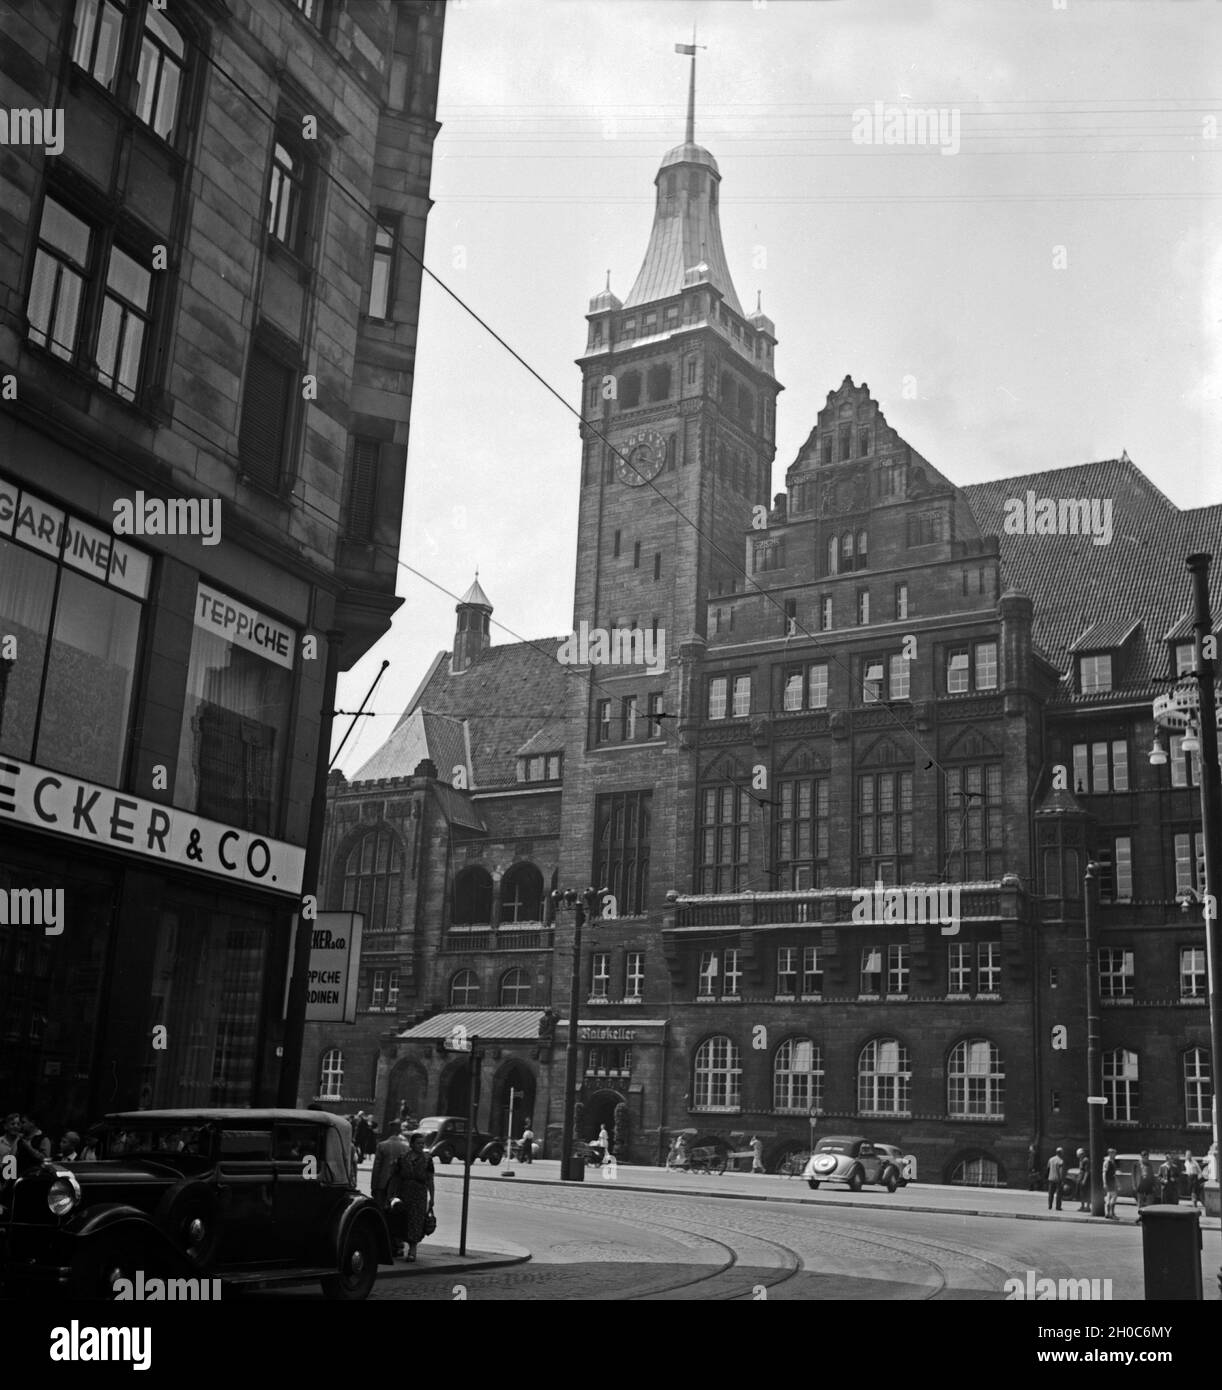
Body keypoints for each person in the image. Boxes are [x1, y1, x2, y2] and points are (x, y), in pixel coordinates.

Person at [371, 1122, 413, 1258]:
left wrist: (374, 1186)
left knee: (382, 1214)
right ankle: (398, 1244)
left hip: (383, 1185)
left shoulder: (382, 1146)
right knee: (397, 1216)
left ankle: (383, 1243)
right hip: (399, 1186)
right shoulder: (405, 1147)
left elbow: (377, 1168)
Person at [399, 1132, 436, 1263]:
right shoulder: (403, 1157)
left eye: (422, 1143)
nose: (421, 1146)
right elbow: (396, 1177)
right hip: (404, 1192)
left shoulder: (427, 1159)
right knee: (404, 1219)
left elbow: (430, 1180)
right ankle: (401, 1246)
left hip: (420, 1193)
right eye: (418, 1143)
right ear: (412, 1144)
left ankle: (412, 1250)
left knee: (416, 1220)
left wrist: (432, 1198)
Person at [1102, 1148, 1119, 1219]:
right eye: (1113, 1153)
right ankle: (1112, 1213)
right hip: (1110, 1182)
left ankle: (1108, 1213)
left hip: (1112, 1181)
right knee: (1114, 1197)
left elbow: (1114, 1174)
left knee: (1108, 1197)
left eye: (1114, 1153)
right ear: (1109, 1154)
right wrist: (1105, 1183)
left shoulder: (1112, 1162)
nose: (1114, 1155)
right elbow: (1104, 1173)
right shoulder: (1107, 1162)